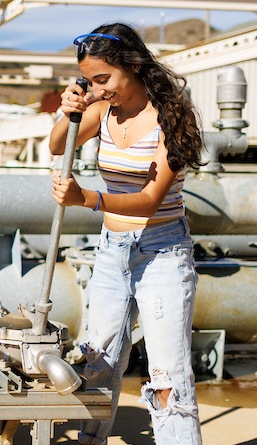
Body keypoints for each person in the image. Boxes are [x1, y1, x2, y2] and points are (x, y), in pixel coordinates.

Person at [49, 22, 205, 445]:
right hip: (111, 251)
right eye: (91, 81)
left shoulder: (173, 116)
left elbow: (151, 199)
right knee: (96, 362)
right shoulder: (100, 109)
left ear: (133, 67)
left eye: (104, 79)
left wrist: (87, 199)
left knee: (167, 374)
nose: (99, 88)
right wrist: (71, 110)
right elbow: (57, 146)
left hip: (162, 253)